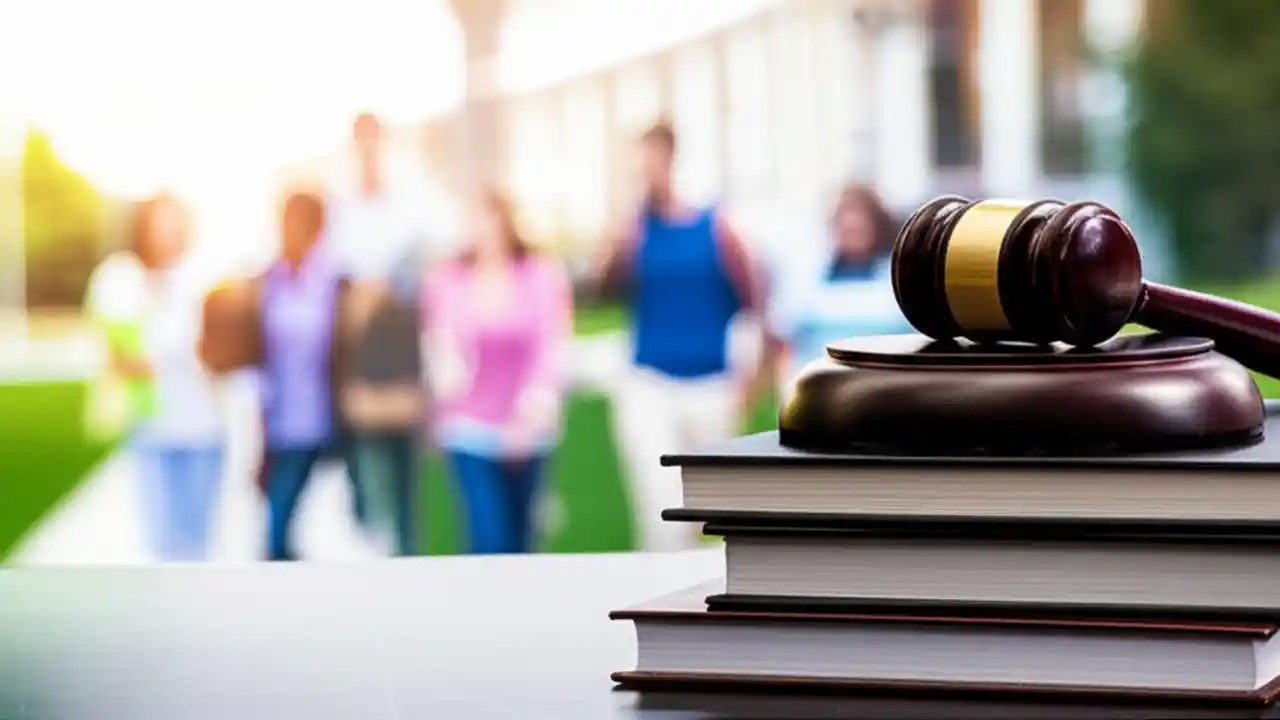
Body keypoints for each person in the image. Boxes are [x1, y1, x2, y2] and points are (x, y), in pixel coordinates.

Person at [595, 121, 764, 552]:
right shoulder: (634, 232)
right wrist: (622, 231)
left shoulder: (716, 227)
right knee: (662, 510)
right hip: (650, 383)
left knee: (711, 518)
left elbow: (754, 300)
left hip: (710, 386)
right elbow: (602, 288)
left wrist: (751, 374)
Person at [423, 189, 571, 554]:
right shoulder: (447, 281)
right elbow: (439, 349)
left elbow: (551, 346)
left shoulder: (540, 277)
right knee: (488, 536)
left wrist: (533, 410)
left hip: (527, 428)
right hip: (469, 428)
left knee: (522, 540)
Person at [84, 194, 227, 562]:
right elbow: (120, 356)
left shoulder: (201, 276)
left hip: (203, 427)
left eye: (172, 226)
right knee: (161, 543)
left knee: (196, 545)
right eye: (156, 227)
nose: (164, 236)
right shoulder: (122, 280)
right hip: (151, 426)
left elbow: (216, 350)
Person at [324, 112, 430, 556]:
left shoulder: (411, 203)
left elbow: (425, 265)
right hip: (359, 365)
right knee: (367, 481)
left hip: (402, 361)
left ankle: (408, 567)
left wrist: (386, 288)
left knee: (407, 485)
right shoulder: (339, 209)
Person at [258, 190, 346, 561]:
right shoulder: (269, 280)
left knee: (283, 513)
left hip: (318, 414)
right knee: (277, 514)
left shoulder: (332, 281)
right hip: (276, 414)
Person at [762, 184, 911, 384]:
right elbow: (783, 334)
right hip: (818, 389)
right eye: (846, 228)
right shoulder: (809, 278)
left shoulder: (896, 279)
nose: (852, 234)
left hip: (883, 389)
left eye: (859, 229)